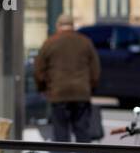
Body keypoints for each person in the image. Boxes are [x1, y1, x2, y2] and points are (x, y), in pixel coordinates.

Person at [33, 14, 100, 142]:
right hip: (81, 93)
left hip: (58, 93)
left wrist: (43, 88)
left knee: (61, 131)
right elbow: (95, 69)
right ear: (73, 26)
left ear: (58, 26)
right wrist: (90, 87)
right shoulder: (85, 42)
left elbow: (39, 70)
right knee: (82, 130)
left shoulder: (50, 42)